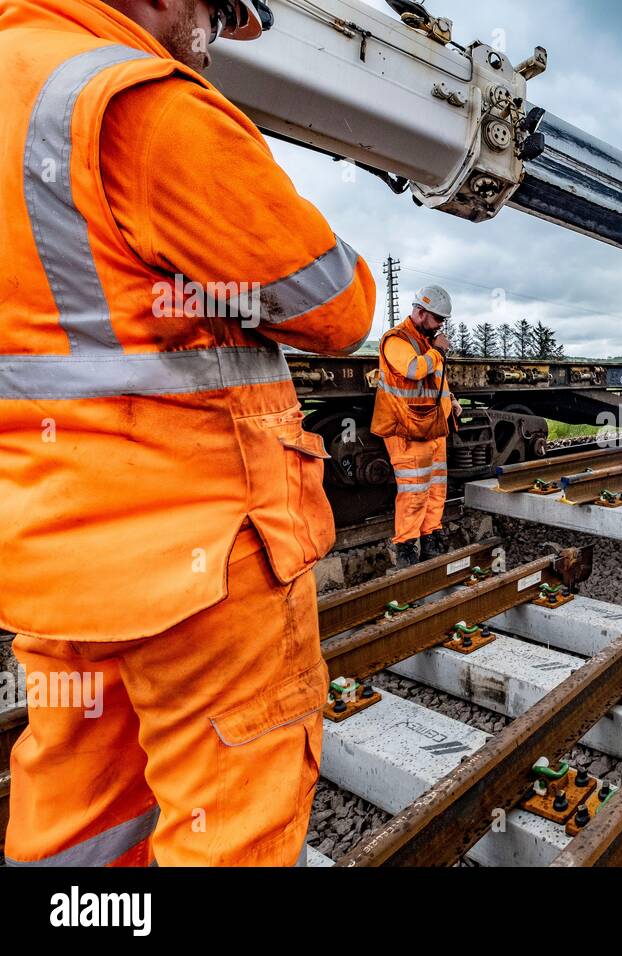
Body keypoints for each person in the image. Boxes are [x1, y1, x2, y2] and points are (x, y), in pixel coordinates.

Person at [0, 0, 376, 866]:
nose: (206, 34)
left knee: (81, 824)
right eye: (211, 11)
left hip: (53, 560)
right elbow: (336, 306)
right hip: (198, 558)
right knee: (231, 822)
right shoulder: (135, 103)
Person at [371, 285, 464, 567]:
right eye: (438, 320)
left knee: (436, 488)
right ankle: (407, 547)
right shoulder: (396, 340)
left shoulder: (426, 344)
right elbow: (414, 370)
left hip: (431, 428)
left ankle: (431, 536)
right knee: (413, 491)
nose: (441, 326)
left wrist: (452, 400)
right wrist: (437, 352)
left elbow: (434, 382)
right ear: (421, 313)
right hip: (407, 429)